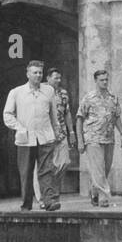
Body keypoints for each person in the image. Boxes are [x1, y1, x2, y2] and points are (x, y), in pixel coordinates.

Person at [2, 60, 60, 212]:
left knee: (47, 169)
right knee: (26, 173)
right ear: (27, 74)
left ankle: (49, 201)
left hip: (46, 136)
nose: (38, 75)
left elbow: (54, 114)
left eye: (40, 72)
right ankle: (26, 204)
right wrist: (19, 127)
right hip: (25, 139)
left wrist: (57, 131)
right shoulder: (16, 92)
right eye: (35, 72)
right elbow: (7, 115)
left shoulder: (49, 91)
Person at [76, 69, 122, 208]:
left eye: (106, 79)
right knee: (98, 168)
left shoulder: (113, 98)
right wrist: (80, 140)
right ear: (96, 81)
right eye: (101, 80)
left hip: (109, 138)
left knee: (105, 168)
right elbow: (79, 119)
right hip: (92, 138)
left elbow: (116, 117)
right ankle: (104, 196)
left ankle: (94, 190)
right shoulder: (89, 98)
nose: (104, 82)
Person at [45, 67, 76, 200]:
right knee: (46, 165)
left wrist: (72, 132)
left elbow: (67, 113)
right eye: (55, 78)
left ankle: (51, 187)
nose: (58, 80)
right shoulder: (42, 91)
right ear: (48, 78)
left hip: (62, 132)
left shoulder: (63, 93)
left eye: (59, 78)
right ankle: (46, 195)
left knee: (64, 162)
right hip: (46, 133)